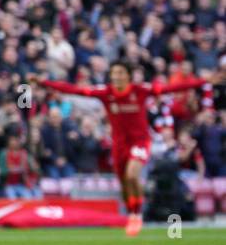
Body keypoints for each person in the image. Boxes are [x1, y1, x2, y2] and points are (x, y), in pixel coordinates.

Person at [33, 64, 218, 235]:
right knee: (124, 184)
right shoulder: (106, 92)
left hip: (140, 141)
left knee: (132, 175)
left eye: (121, 73)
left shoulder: (141, 90)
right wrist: (43, 82)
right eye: (114, 73)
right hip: (119, 144)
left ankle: (137, 214)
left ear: (128, 75)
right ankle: (132, 212)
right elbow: (74, 89)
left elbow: (173, 88)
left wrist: (204, 81)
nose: (117, 76)